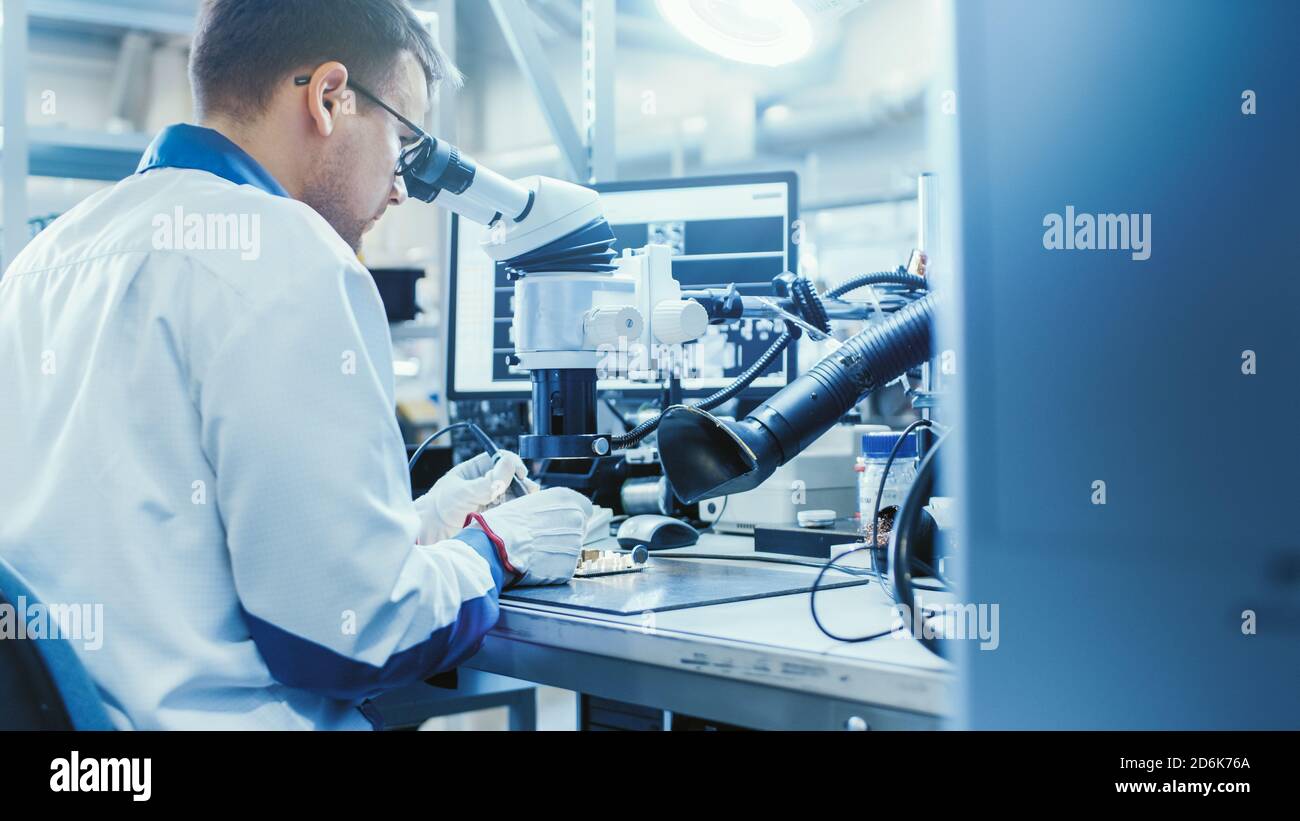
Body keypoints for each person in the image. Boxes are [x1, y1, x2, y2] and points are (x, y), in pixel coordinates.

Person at [0, 0, 592, 730]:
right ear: (328, 98)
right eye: (402, 141)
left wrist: (417, 525)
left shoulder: (43, 259)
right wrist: (497, 547)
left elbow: (167, 549)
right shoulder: (289, 254)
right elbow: (359, 635)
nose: (400, 186)